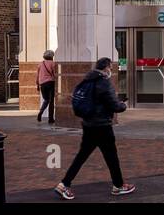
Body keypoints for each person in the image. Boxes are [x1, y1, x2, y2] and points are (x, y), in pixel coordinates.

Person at [55, 57, 135, 199]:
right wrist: (123, 105)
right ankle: (118, 186)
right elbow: (114, 105)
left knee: (82, 156)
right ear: (105, 68)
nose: (111, 70)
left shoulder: (87, 79)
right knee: (111, 157)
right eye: (110, 67)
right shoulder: (104, 82)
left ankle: (64, 184)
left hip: (88, 125)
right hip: (102, 126)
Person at [36, 50, 57, 124]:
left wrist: (37, 85)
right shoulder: (53, 64)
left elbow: (37, 75)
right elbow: (54, 74)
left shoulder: (40, 64)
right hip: (51, 83)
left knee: (46, 100)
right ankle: (50, 119)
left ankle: (40, 112)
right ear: (51, 56)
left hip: (42, 84)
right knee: (51, 101)